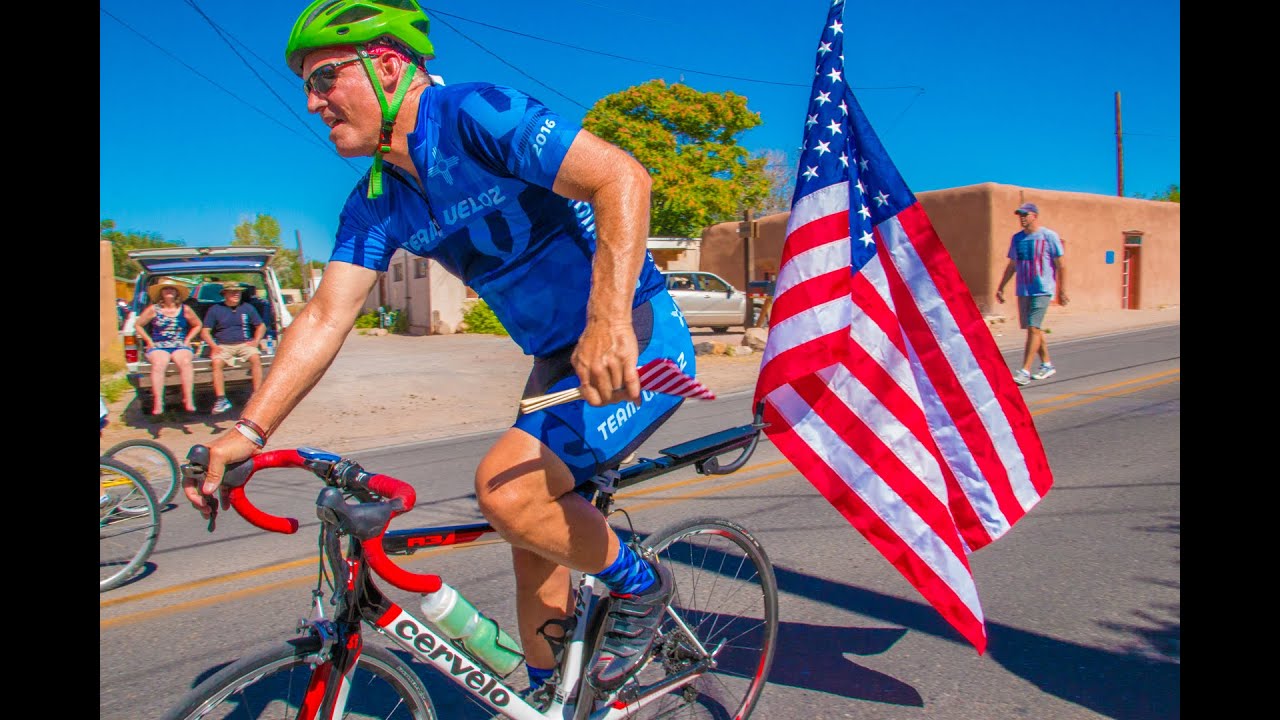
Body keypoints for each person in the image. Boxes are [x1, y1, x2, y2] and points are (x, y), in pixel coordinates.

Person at [182, 0, 694, 701]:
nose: (311, 101)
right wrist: (247, 430)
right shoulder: (377, 200)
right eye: (309, 84)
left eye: (325, 77)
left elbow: (621, 177)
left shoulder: (473, 113)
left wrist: (607, 319)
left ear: (390, 65)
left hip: (636, 334)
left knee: (507, 492)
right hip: (555, 359)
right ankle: (551, 696)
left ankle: (642, 588)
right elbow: (327, 314)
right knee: (530, 537)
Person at [995, 202, 1068, 385]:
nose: (1022, 218)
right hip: (1024, 289)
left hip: (1042, 289)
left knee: (1033, 328)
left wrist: (1062, 290)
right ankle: (1047, 365)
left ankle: (1024, 371)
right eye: (1020, 215)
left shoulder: (1048, 236)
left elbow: (1061, 265)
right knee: (1033, 328)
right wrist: (1001, 286)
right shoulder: (1017, 239)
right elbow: (1012, 265)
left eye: (1025, 215)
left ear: (1034, 216)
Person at [133, 277, 203, 414]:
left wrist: (188, 339)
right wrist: (148, 341)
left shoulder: (185, 309)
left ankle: (188, 398)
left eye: (172, 289)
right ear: (161, 293)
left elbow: (198, 324)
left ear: (177, 293)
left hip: (180, 344)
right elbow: (138, 325)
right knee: (159, 364)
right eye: (165, 289)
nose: (169, 291)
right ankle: (158, 401)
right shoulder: (153, 309)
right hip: (159, 344)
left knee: (185, 362)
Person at [200, 282, 266, 414]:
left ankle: (257, 395)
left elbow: (261, 326)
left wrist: (256, 341)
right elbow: (205, 331)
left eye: (238, 292)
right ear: (224, 294)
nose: (236, 294)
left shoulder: (248, 308)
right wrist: (213, 346)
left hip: (244, 344)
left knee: (255, 357)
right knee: (217, 362)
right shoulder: (215, 309)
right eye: (232, 292)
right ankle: (221, 399)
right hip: (224, 345)